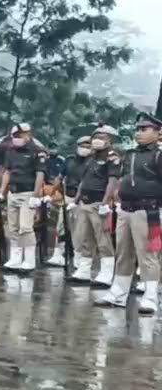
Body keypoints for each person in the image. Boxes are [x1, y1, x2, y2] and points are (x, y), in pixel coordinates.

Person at [97, 113, 162, 314]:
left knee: (148, 255)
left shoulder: (159, 155)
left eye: (144, 130)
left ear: (158, 133)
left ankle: (150, 296)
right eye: (138, 129)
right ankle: (118, 293)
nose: (139, 133)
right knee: (123, 252)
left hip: (148, 209)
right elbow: (123, 178)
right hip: (126, 208)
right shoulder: (130, 153)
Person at [0, 123, 47, 272]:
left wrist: (36, 195)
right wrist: (1, 192)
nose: (16, 139)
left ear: (27, 135)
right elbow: (7, 172)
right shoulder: (10, 151)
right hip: (13, 192)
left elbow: (40, 174)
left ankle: (29, 259)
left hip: (28, 193)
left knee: (26, 227)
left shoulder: (37, 152)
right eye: (14, 136)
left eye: (19, 136)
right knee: (13, 228)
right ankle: (16, 258)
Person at [71, 128, 118, 286]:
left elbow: (112, 182)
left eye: (101, 137)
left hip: (99, 203)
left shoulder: (112, 158)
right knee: (86, 238)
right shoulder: (90, 158)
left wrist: (106, 202)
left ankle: (106, 272)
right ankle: (84, 270)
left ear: (109, 140)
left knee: (102, 239)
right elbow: (83, 181)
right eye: (95, 137)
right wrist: (75, 201)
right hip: (85, 202)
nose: (97, 140)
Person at [64, 135, 92, 279]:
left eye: (88, 146)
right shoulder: (70, 160)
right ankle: (73, 254)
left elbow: (84, 183)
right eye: (82, 145)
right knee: (68, 228)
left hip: (81, 198)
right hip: (68, 195)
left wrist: (76, 200)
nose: (85, 148)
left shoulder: (91, 162)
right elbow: (63, 177)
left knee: (80, 231)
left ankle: (79, 257)